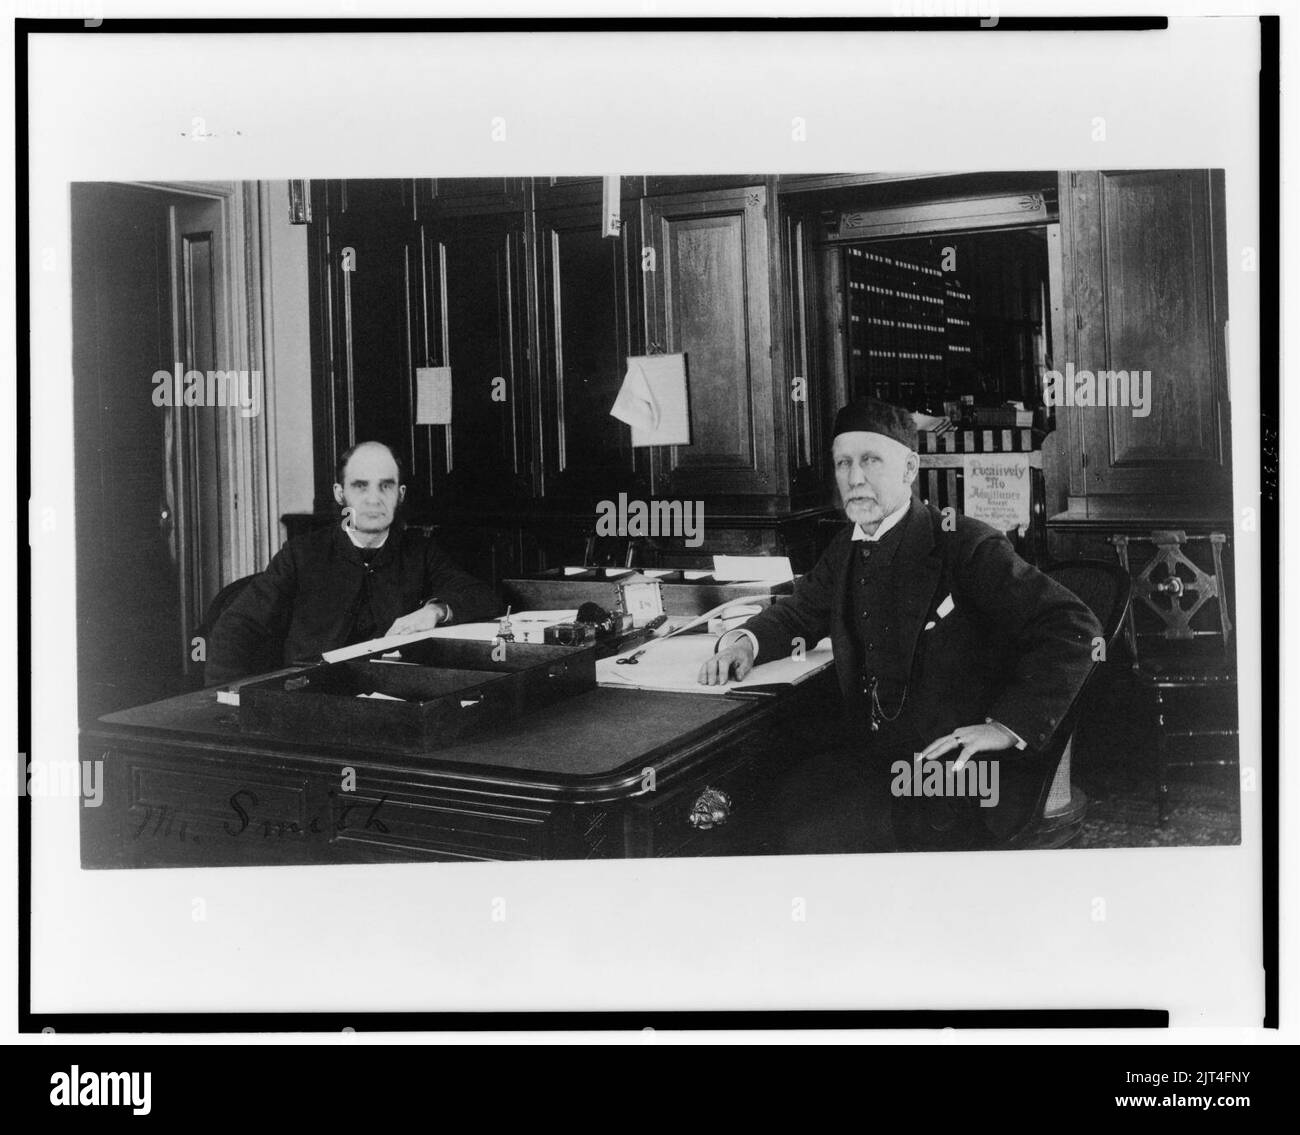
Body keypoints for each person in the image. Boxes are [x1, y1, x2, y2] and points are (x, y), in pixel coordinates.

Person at [698, 397, 1102, 853]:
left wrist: (1007, 726)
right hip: (878, 755)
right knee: (768, 804)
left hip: (956, 771)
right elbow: (799, 612)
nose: (854, 479)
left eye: (871, 461)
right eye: (843, 463)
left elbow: (1075, 627)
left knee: (807, 834)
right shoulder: (846, 547)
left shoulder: (965, 544)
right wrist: (745, 643)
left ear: (910, 468)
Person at [206, 441, 498, 685]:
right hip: (312, 694)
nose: (373, 499)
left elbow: (481, 595)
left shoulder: (419, 552)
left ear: (400, 495)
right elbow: (237, 627)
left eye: (386, 486)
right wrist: (230, 699)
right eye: (360, 486)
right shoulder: (303, 554)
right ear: (339, 493)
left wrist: (435, 610)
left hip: (393, 693)